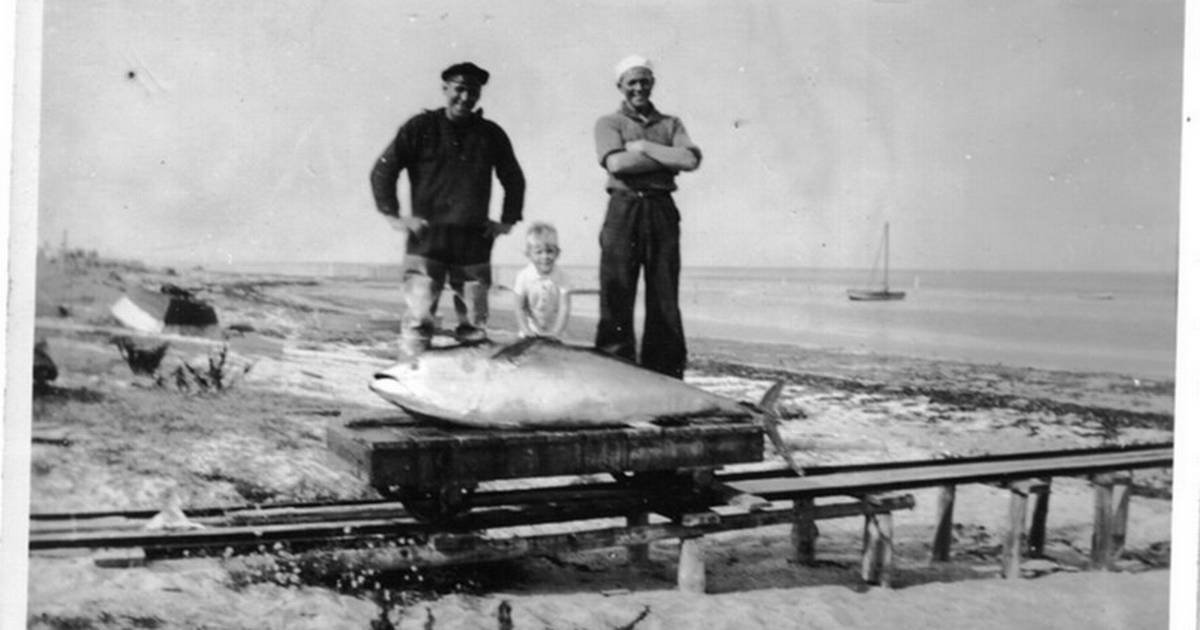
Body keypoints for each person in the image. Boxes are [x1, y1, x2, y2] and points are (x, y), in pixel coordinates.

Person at [370, 61, 526, 356]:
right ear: (445, 89)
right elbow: (382, 171)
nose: (466, 98)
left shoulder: (490, 134)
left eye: (473, 92)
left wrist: (506, 222)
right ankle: (411, 376)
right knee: (418, 320)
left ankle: (470, 385)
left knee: (474, 326)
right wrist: (395, 216)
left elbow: (514, 179)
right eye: (459, 89)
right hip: (427, 241)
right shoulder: (420, 128)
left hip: (473, 243)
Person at [592, 55, 701, 378]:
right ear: (620, 86)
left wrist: (643, 148)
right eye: (632, 82)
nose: (638, 87)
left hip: (661, 210)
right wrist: (668, 158)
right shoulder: (608, 123)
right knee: (616, 293)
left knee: (664, 296)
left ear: (652, 83)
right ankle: (615, 375)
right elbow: (617, 165)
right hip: (623, 209)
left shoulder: (671, 123)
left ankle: (666, 378)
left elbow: (691, 159)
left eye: (644, 80)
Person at [512, 222, 572, 339]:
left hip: (555, 333)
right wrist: (526, 330)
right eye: (539, 252)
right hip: (529, 332)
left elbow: (564, 308)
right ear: (528, 254)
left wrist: (556, 332)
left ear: (557, 253)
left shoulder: (562, 276)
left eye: (550, 251)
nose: (545, 256)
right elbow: (519, 307)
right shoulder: (523, 276)